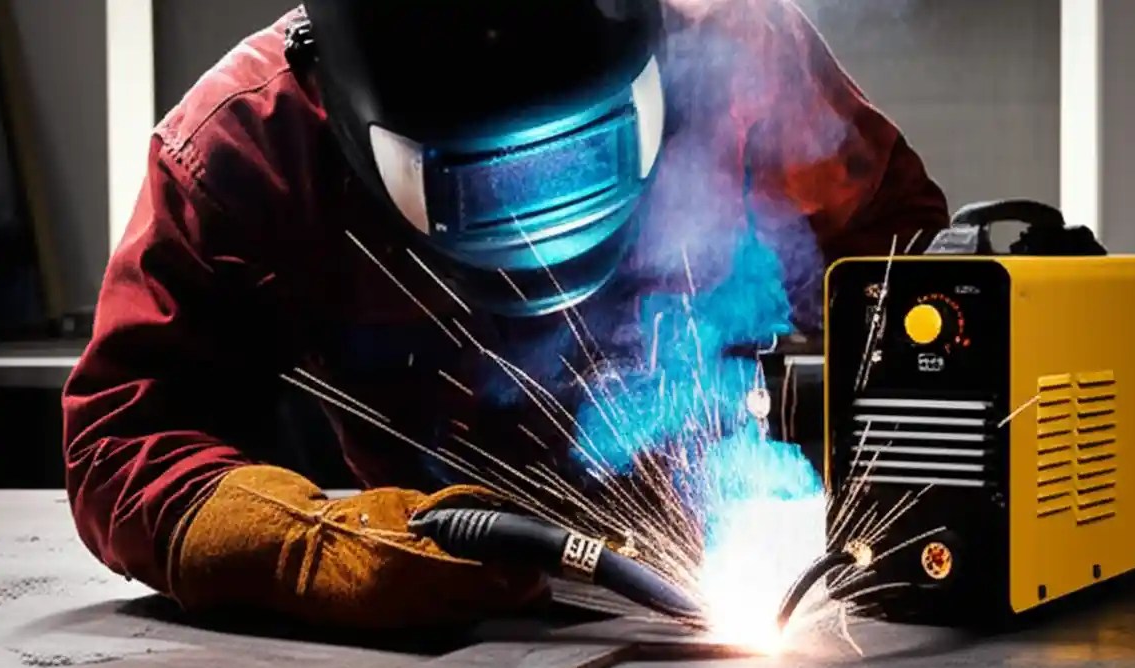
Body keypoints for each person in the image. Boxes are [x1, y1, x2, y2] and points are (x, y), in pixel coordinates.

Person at [62, 0, 948, 630]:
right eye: (490, 185)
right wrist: (310, 552)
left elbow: (911, 281)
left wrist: (873, 481)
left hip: (735, 572)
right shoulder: (249, 145)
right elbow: (121, 434)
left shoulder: (738, 60)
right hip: (452, 614)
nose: (542, 228)